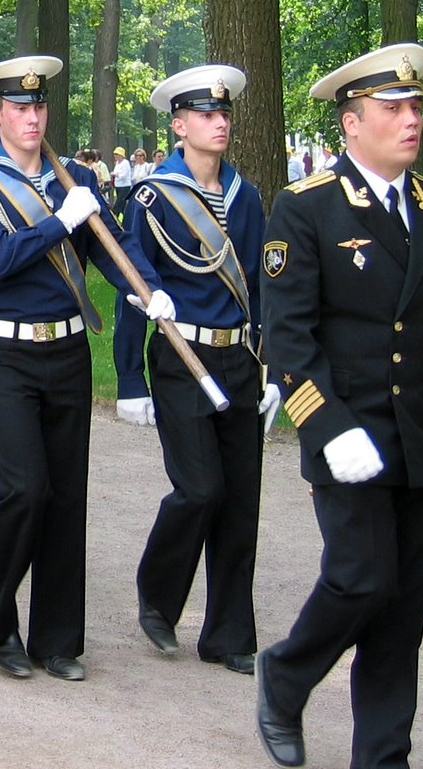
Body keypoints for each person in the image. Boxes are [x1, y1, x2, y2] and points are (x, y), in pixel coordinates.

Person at [255, 42, 423, 769]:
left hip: (418, 434)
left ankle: (383, 758)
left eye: (416, 106)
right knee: (361, 579)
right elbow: (286, 338)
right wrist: (323, 424)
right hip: (347, 430)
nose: (412, 119)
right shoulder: (307, 207)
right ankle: (286, 675)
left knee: (402, 613)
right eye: (394, 108)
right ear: (352, 124)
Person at [0, 56, 170, 684]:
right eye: (19, 108)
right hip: (5, 353)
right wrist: (57, 222)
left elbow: (112, 244)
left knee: (68, 495)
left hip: (68, 351)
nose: (31, 117)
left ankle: (59, 638)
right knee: (24, 489)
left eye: (39, 107)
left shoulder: (71, 181)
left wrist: (147, 289)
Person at [113, 65, 269, 676]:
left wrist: (274, 364)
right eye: (206, 115)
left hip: (238, 358)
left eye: (224, 114)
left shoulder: (247, 195)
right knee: (200, 488)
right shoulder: (152, 195)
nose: (220, 122)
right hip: (182, 358)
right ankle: (157, 592)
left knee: (241, 502)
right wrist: (130, 379)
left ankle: (229, 635)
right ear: (179, 126)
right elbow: (133, 284)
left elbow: (261, 284)